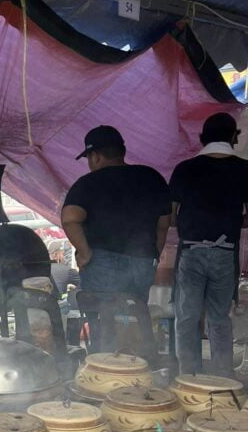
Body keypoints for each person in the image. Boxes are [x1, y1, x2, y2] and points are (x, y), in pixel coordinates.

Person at [170, 112, 248, 377]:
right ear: (234, 137)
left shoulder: (185, 169)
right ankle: (222, 380)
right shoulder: (244, 169)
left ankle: (189, 378)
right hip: (225, 254)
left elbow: (170, 216)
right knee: (219, 319)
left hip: (191, 252)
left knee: (187, 319)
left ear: (202, 138)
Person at [61, 126, 172, 299]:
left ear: (95, 156)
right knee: (135, 314)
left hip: (102, 263)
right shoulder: (151, 177)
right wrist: (153, 255)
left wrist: (84, 252)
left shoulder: (88, 183)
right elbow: (164, 224)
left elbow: (69, 219)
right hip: (142, 261)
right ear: (123, 151)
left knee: (105, 316)